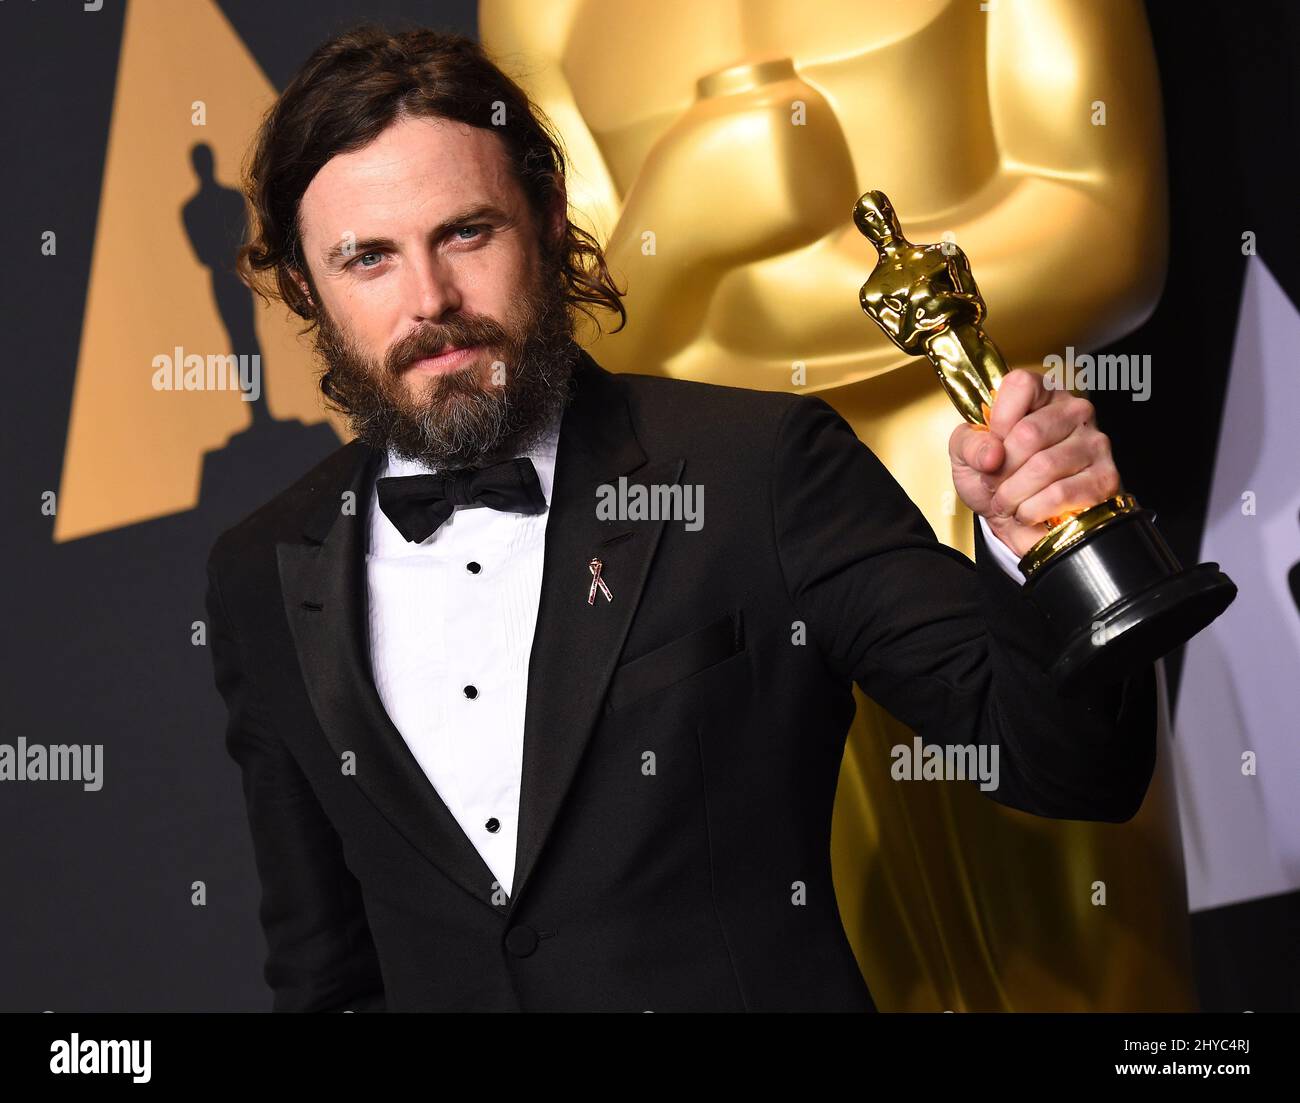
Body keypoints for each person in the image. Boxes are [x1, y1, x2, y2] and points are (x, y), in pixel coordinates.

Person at [206, 24, 1156, 1012]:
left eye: (465, 231)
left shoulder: (758, 468)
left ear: (546, 216)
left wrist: (1054, 546)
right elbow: (322, 974)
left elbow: (1066, 767)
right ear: (304, 287)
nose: (430, 301)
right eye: (368, 259)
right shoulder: (264, 570)